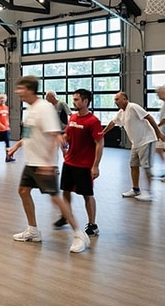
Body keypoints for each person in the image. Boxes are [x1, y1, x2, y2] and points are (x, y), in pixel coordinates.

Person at [6, 76, 90, 254]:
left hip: (43, 162)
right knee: (23, 191)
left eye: (20, 88)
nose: (17, 92)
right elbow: (30, 134)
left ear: (29, 89)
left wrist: (48, 163)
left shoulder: (44, 108)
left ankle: (79, 234)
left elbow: (55, 136)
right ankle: (33, 230)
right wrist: (17, 146)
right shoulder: (31, 109)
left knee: (55, 198)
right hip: (32, 161)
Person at [54, 89, 104, 237]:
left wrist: (95, 166)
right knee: (66, 191)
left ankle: (92, 225)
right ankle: (66, 216)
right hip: (69, 162)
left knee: (87, 195)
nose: (74, 102)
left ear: (85, 101)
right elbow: (68, 135)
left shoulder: (93, 121)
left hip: (84, 165)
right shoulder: (74, 118)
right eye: (74, 99)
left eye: (76, 100)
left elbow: (99, 144)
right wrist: (63, 139)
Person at [103, 91, 165, 202]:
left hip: (147, 140)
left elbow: (149, 117)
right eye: (115, 100)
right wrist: (102, 133)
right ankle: (136, 189)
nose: (115, 101)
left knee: (147, 167)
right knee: (133, 166)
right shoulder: (121, 112)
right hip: (135, 144)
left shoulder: (133, 107)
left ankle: (149, 192)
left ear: (125, 99)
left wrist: (158, 133)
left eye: (117, 99)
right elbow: (113, 123)